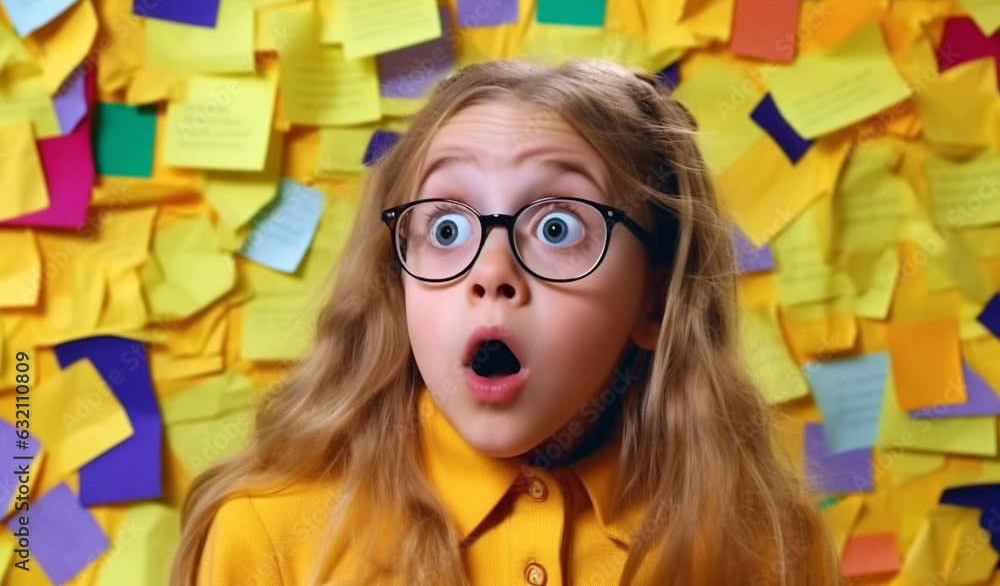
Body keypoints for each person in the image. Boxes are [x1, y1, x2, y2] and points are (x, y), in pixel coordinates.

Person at [170, 58, 841, 586]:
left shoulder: (765, 545)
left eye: (557, 226)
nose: (490, 270)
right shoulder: (265, 534)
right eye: (448, 225)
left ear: (656, 301)